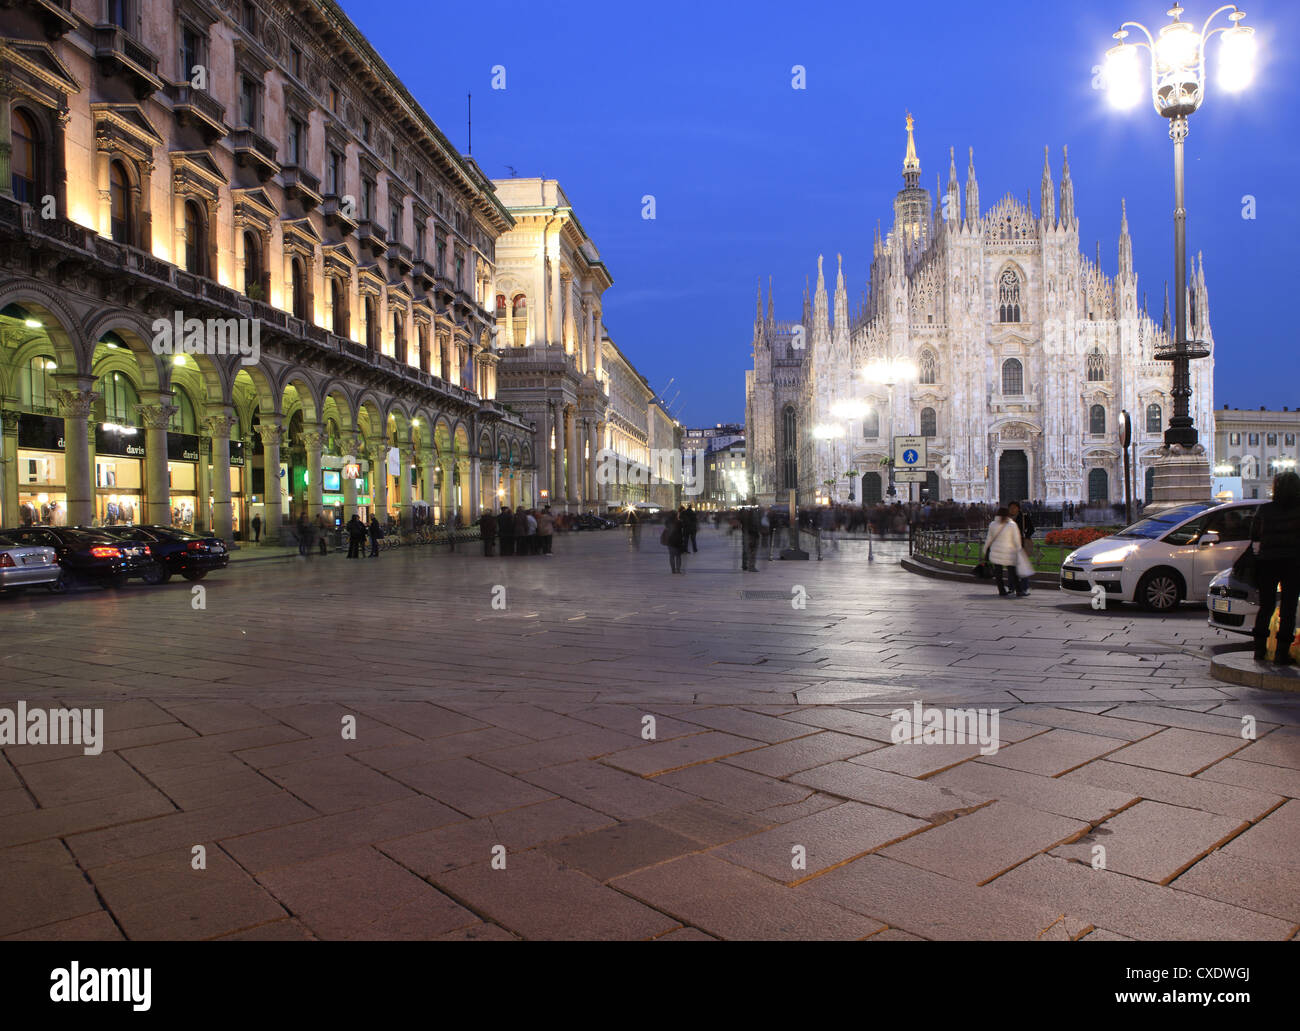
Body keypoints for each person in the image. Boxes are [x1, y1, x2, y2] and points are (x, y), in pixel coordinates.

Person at [1250, 470, 1300, 666]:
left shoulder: (1264, 510)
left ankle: (1259, 650)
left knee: (1266, 606)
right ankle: (1281, 653)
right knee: (1288, 608)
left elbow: (1254, 536)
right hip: (1293, 563)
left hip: (1267, 562)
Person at [983, 507, 1026, 598]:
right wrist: (1019, 549)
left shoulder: (993, 524)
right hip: (1008, 552)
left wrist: (985, 549)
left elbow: (989, 539)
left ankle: (1001, 590)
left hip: (996, 552)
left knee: (998, 573)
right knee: (1013, 573)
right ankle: (1018, 590)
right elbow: (1016, 539)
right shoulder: (1012, 524)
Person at [1008, 500, 1035, 595]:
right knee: (1011, 568)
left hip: (1021, 545)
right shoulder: (1007, 518)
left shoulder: (1024, 517)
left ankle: (1024, 588)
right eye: (1011, 508)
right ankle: (1011, 587)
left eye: (1014, 508)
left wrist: (1025, 537)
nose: (1012, 509)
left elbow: (1031, 529)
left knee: (1022, 567)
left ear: (1018, 509)